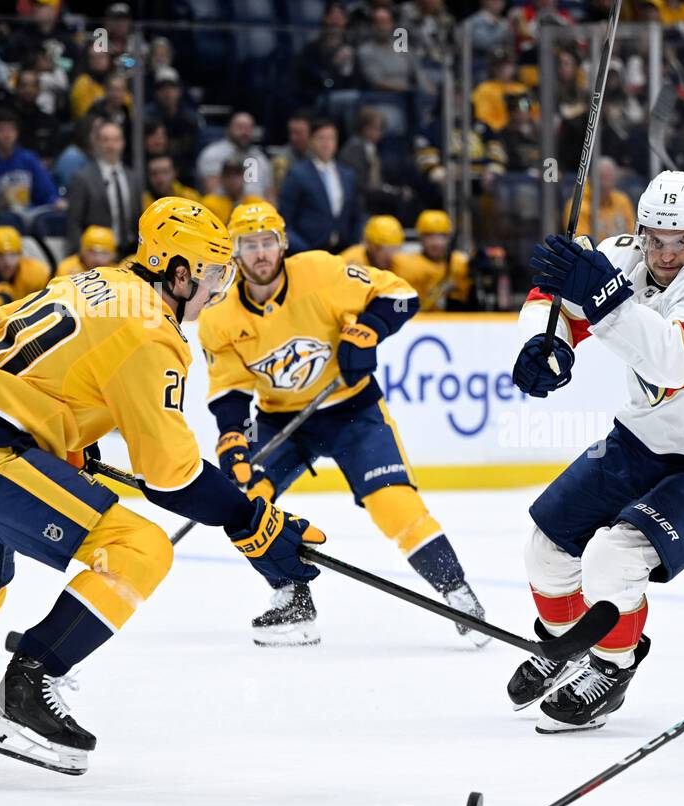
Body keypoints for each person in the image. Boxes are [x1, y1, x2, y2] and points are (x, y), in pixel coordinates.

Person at [0, 197, 325, 768]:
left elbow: (54, 371)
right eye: (213, 275)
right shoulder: (151, 331)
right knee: (139, 547)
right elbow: (171, 478)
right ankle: (23, 693)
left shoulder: (102, 281)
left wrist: (68, 437)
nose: (219, 288)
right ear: (179, 273)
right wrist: (250, 520)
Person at [506, 170, 684, 733]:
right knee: (547, 547)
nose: (666, 253)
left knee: (613, 559)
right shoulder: (624, 256)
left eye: (681, 240)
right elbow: (552, 296)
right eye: (656, 238)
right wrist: (546, 341)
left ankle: (612, 667)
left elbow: (674, 361)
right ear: (641, 229)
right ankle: (569, 645)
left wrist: (603, 301)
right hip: (648, 437)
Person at [197, 201, 486, 647]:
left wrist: (369, 329)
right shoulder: (218, 316)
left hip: (352, 409)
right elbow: (228, 388)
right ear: (233, 252)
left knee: (394, 504)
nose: (260, 254)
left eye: (267, 242)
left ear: (283, 244)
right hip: (280, 418)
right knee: (244, 501)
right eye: (248, 244)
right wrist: (233, 438)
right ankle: (292, 598)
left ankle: (458, 593)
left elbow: (398, 295)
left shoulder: (321, 272)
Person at [276, 118, 359, 254]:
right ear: (311, 141)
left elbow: (355, 216)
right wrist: (303, 251)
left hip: (342, 251)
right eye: (321, 138)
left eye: (331, 138)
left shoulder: (348, 175)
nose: (326, 143)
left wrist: (353, 247)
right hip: (308, 251)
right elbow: (285, 222)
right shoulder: (297, 175)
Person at [65, 119, 141, 253]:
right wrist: (80, 254)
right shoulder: (83, 178)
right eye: (105, 140)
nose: (111, 146)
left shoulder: (133, 178)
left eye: (115, 140)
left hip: (131, 251)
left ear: (122, 143)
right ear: (96, 143)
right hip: (97, 253)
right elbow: (74, 223)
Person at [392, 210, 471, 311]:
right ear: (421, 237)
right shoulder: (405, 264)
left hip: (450, 323)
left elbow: (465, 302)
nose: (436, 242)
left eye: (442, 236)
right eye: (429, 236)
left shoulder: (460, 262)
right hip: (417, 322)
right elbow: (400, 307)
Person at [0, 225, 51, 309]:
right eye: (0, 255)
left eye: (13, 254)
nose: (8, 263)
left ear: (20, 254)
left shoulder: (36, 273)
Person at [563, 156, 634, 244]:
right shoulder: (577, 206)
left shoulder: (622, 200)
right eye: (602, 178)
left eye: (609, 178)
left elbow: (633, 234)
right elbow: (582, 243)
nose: (605, 184)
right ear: (592, 179)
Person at [339, 215, 403, 271]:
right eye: (381, 249)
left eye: (394, 249)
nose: (389, 256)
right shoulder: (348, 261)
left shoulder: (401, 264)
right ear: (369, 245)